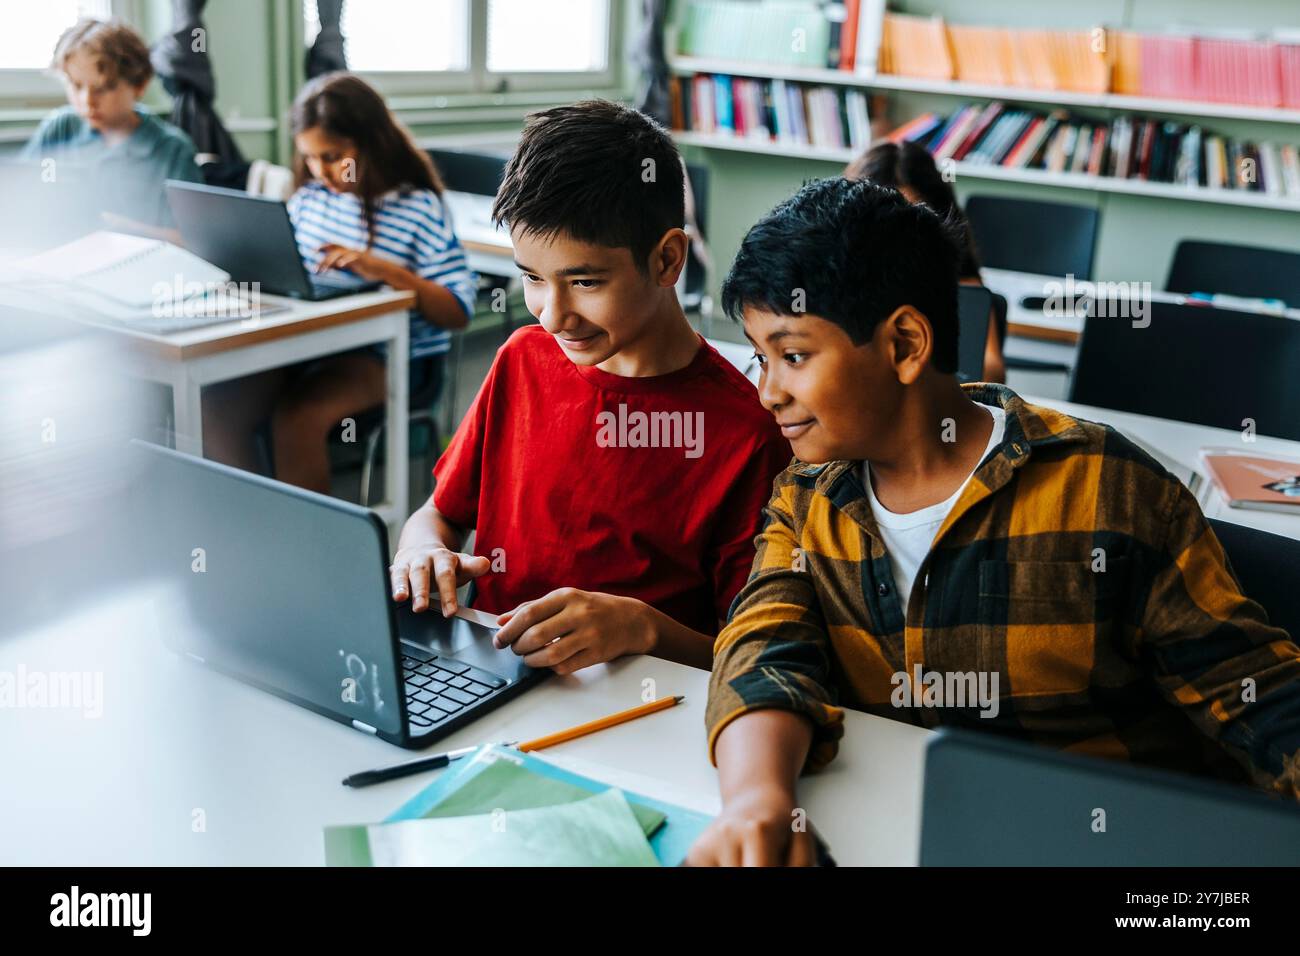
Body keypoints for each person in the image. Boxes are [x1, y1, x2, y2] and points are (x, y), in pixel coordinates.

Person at [688, 177, 1300, 866]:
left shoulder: (1110, 489)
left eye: (792, 355)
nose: (766, 391)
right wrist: (757, 800)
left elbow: (1262, 700)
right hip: (904, 836)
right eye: (759, 356)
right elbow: (764, 649)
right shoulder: (804, 503)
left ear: (905, 345)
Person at [389, 100, 790, 673]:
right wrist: (419, 547)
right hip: (492, 680)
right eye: (531, 278)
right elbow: (439, 514)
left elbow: (752, 654)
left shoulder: (745, 433)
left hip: (640, 713)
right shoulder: (521, 361)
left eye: (584, 281)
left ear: (667, 259)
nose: (552, 315)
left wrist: (643, 628)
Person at [201, 73, 477, 493]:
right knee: (218, 406)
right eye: (310, 158)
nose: (320, 170)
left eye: (332, 156)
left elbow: (457, 311)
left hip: (388, 356)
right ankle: (256, 519)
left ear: (371, 143)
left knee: (299, 418)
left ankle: (311, 547)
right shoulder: (312, 198)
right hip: (306, 344)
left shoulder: (418, 207)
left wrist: (385, 271)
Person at [20, 17, 202, 233]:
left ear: (139, 86)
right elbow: (22, 198)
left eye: (103, 88)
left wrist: (118, 229)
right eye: (76, 85)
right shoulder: (59, 128)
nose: (87, 100)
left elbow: (191, 241)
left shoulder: (173, 151)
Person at [846, 140, 1005, 383]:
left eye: (913, 220)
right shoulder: (835, 279)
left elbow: (992, 370)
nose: (896, 237)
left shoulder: (960, 281)